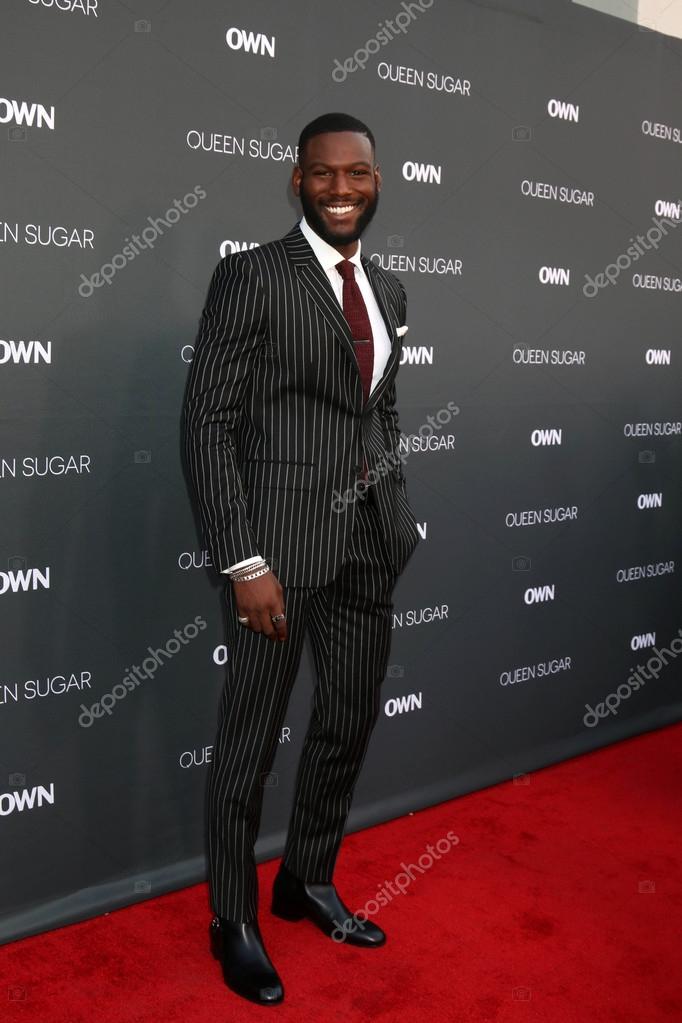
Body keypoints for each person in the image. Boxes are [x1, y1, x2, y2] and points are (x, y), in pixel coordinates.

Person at [183, 111, 420, 1006]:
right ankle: (232, 918)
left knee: (346, 723)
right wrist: (243, 562)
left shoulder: (391, 290)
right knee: (248, 746)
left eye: (356, 173)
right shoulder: (252, 276)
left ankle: (306, 879)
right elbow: (206, 423)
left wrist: (399, 507)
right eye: (323, 175)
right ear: (297, 181)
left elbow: (381, 410)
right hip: (276, 559)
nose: (341, 189)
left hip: (369, 548)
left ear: (377, 179)